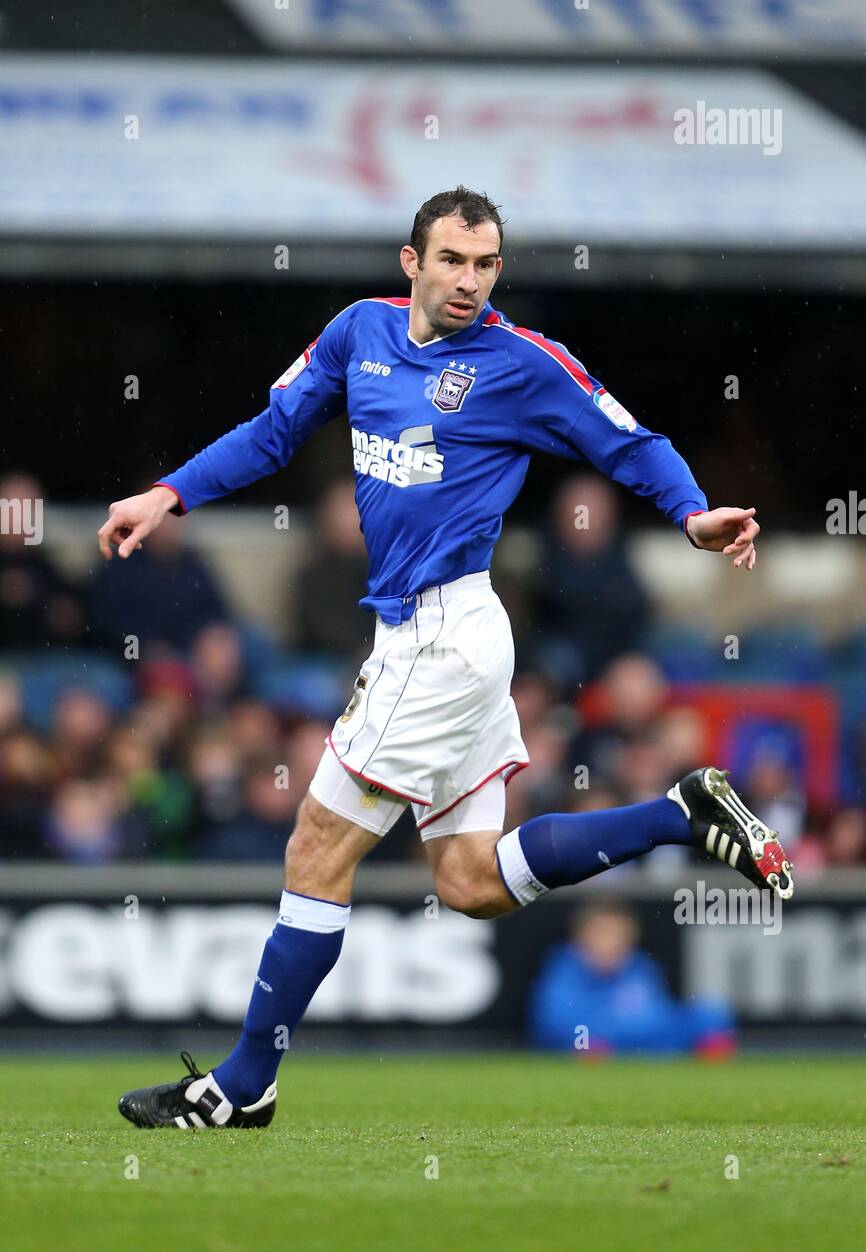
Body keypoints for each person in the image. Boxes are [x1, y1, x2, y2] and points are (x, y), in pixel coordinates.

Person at [97, 186, 792, 1130]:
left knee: (315, 844)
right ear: (411, 262)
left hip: (448, 634)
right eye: (453, 260)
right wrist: (165, 495)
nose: (470, 280)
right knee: (468, 882)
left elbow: (630, 440)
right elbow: (273, 433)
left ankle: (244, 1082)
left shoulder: (521, 363)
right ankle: (675, 816)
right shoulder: (357, 334)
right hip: (427, 634)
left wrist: (691, 512)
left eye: (487, 263)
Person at [529, 901, 735, 1056]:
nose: (610, 943)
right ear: (580, 936)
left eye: (618, 935)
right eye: (603, 933)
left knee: (710, 1011)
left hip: (647, 1041)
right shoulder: (564, 968)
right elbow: (553, 1022)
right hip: (599, 1042)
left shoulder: (640, 966)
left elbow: (660, 1015)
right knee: (586, 1041)